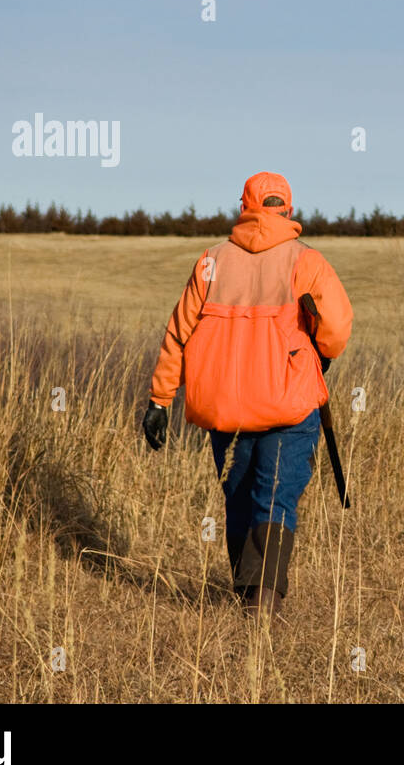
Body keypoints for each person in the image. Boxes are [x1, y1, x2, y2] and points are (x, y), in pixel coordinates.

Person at [141, 171, 353, 618]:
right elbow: (336, 328)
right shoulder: (306, 261)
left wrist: (160, 400)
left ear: (244, 206)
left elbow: (177, 334)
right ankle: (263, 603)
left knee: (237, 494)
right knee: (274, 494)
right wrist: (321, 352)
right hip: (289, 403)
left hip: (225, 408)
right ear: (288, 211)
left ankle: (247, 593)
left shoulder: (211, 262)